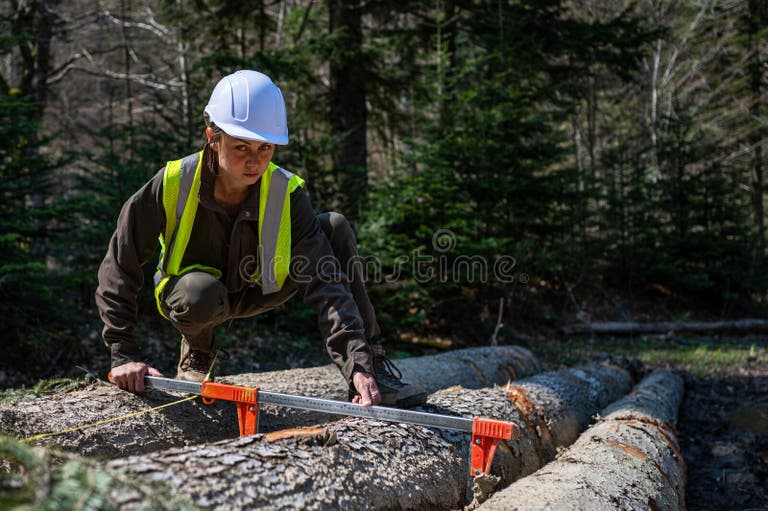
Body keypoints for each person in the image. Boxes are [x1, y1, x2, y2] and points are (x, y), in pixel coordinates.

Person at [96, 70, 427, 408]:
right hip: (191, 296)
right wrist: (122, 352)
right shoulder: (173, 181)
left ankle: (372, 372)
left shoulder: (285, 191)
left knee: (334, 226)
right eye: (241, 147)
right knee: (200, 293)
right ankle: (198, 350)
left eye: (265, 147)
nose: (254, 160)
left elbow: (326, 283)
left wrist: (358, 365)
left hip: (263, 287)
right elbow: (121, 264)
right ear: (212, 137)